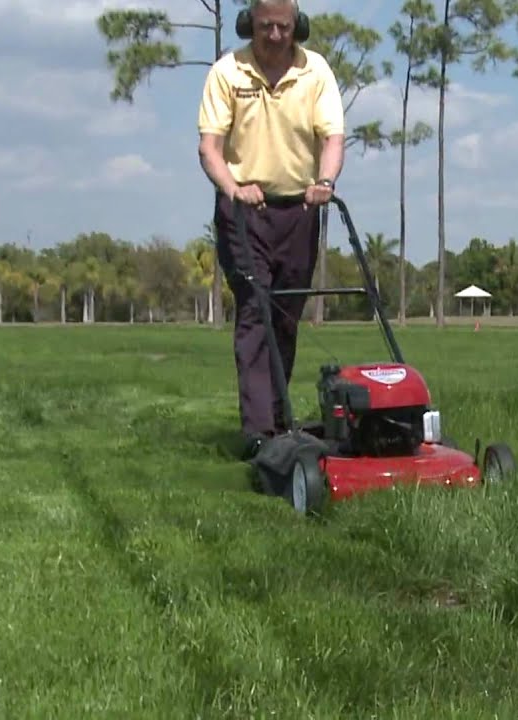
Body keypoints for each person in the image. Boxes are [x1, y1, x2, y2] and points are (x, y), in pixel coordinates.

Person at [197, 0, 345, 459]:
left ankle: (282, 424)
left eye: (283, 26)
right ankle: (260, 434)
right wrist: (233, 189)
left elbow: (333, 138)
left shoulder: (315, 71)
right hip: (245, 213)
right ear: (250, 25)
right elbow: (210, 148)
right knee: (256, 311)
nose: (275, 35)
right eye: (266, 27)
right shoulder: (228, 72)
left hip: (300, 210)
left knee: (285, 317)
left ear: (296, 25)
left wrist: (325, 182)